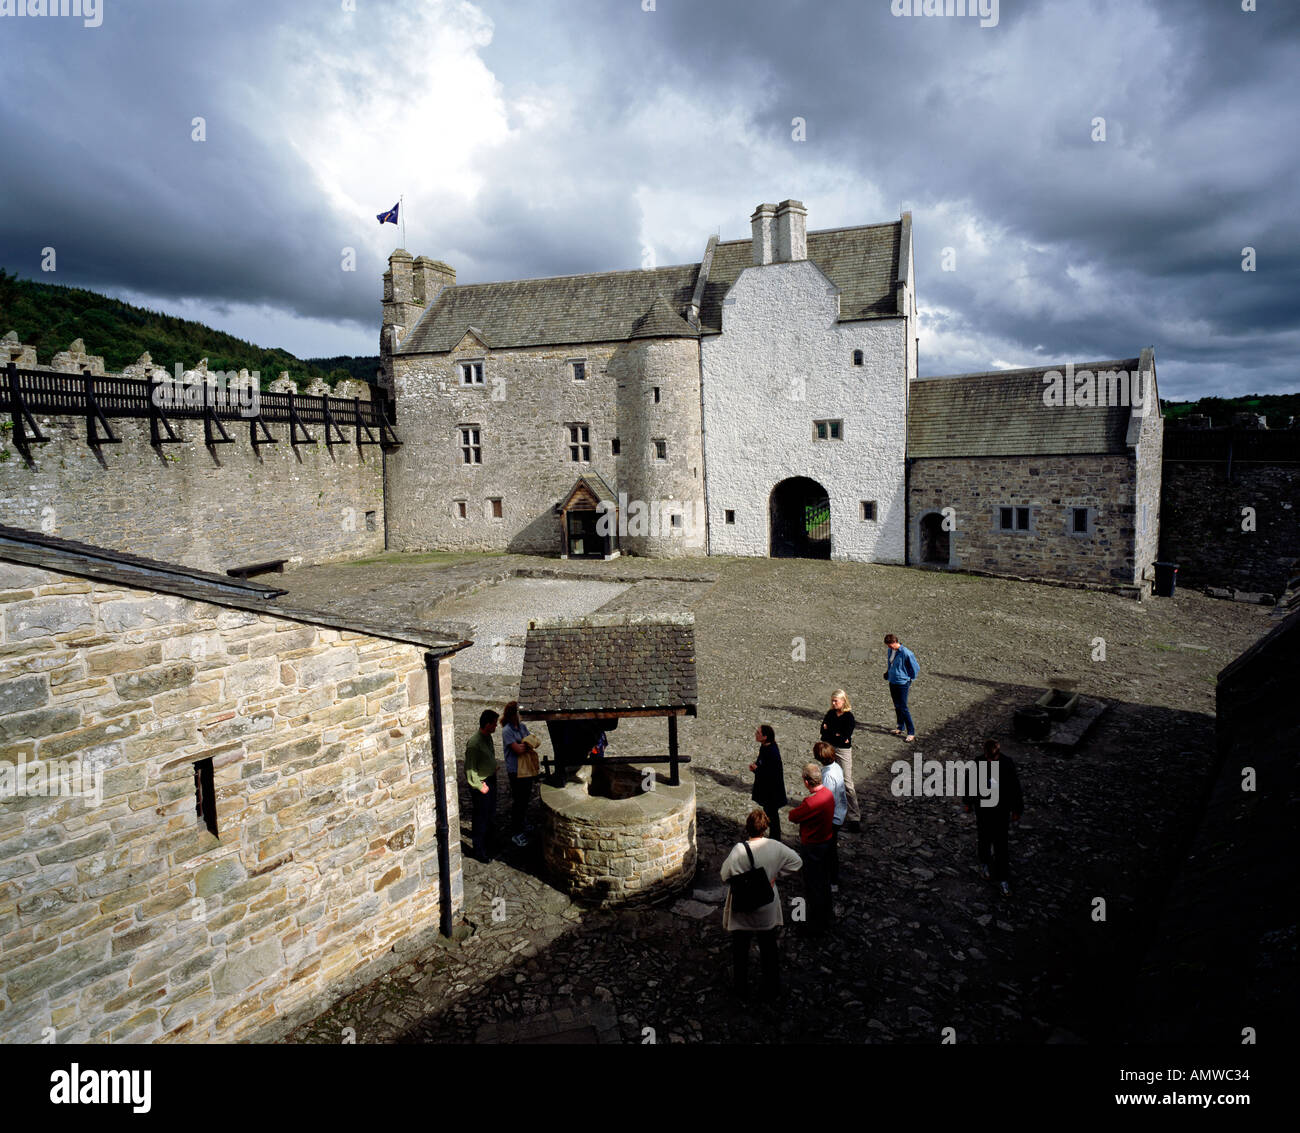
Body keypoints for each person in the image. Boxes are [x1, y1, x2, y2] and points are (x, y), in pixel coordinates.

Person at [720, 809, 803, 1000]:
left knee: (740, 949)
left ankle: (741, 989)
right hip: (766, 901)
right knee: (769, 947)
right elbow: (797, 862)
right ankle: (771, 987)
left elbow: (724, 875)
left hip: (743, 905)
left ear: (747, 827)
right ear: (765, 828)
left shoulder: (739, 850)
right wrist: (774, 877)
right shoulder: (775, 847)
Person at [963, 739, 1023, 896]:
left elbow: (1014, 787)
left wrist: (1017, 809)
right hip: (983, 810)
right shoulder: (978, 762)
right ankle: (985, 863)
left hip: (1001, 810)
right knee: (983, 837)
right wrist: (968, 801)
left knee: (1001, 844)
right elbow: (970, 782)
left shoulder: (1006, 764)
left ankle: (1003, 877)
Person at [787, 762, 835, 933]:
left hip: (813, 845)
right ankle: (827, 914)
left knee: (813, 884)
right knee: (824, 880)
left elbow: (793, 816)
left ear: (807, 782)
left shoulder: (811, 802)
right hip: (826, 841)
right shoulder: (828, 794)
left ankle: (816, 924)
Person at [820, 689, 860, 832]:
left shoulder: (849, 717)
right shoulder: (830, 714)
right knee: (828, 780)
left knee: (847, 782)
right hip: (830, 749)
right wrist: (834, 734)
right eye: (832, 700)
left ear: (843, 701)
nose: (833, 703)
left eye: (836, 700)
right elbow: (822, 732)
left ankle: (854, 817)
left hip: (843, 751)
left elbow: (845, 737)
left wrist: (830, 732)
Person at [464, 709, 499, 862]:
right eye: (494, 724)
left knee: (490, 815)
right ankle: (479, 851)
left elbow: (489, 756)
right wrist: (479, 786)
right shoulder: (474, 744)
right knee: (480, 818)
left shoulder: (488, 738)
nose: (496, 727)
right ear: (487, 724)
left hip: (491, 780)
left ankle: (489, 845)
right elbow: (469, 768)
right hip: (482, 785)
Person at [500, 701, 536, 848]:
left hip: (525, 769)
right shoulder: (507, 731)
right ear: (512, 715)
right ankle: (516, 832)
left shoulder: (522, 727)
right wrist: (526, 744)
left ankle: (523, 823)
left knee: (525, 799)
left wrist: (526, 743)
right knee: (519, 801)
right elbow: (520, 749)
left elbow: (531, 741)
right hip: (515, 771)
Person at [814, 741, 846, 889]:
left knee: (829, 851)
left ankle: (832, 881)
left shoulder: (827, 776)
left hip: (831, 818)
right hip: (839, 812)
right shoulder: (836, 767)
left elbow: (825, 801)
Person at [749, 724, 787, 842]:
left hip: (772, 792)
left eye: (758, 733)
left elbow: (770, 774)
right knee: (770, 813)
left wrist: (756, 769)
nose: (756, 734)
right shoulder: (765, 746)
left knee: (772, 816)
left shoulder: (772, 752)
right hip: (767, 789)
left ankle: (775, 839)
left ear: (765, 737)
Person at [883, 634, 919, 742]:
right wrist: (888, 672)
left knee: (903, 707)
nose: (889, 648)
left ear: (895, 642)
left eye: (890, 645)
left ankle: (911, 732)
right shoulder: (891, 651)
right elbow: (891, 664)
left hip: (902, 683)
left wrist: (908, 679)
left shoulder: (907, 653)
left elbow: (915, 668)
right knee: (897, 705)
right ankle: (900, 727)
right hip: (893, 681)